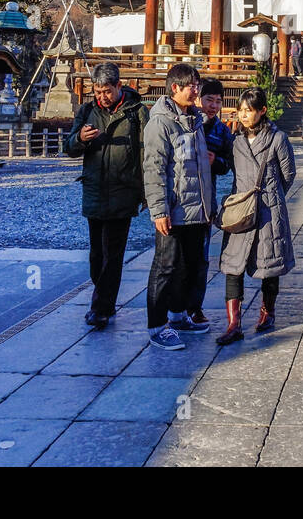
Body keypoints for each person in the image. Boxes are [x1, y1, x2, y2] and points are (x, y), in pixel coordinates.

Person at [65, 62, 148, 329]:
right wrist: (81, 138)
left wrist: (147, 192)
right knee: (96, 256)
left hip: (124, 191)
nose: (102, 96)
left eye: (107, 91)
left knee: (113, 254)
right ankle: (105, 299)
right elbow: (70, 148)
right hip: (94, 190)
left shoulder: (137, 112)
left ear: (119, 86)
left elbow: (147, 152)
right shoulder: (87, 111)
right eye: (97, 91)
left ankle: (100, 308)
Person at [142, 63, 215, 351]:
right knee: (165, 267)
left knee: (189, 265)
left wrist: (210, 206)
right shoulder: (160, 123)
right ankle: (157, 325)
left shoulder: (195, 119)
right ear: (175, 88)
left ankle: (178, 315)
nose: (195, 90)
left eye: (197, 84)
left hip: (196, 209)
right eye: (191, 85)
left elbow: (199, 169)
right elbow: (154, 168)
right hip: (173, 209)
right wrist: (158, 210)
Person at [217, 88, 297, 344]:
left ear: (262, 111)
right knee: (233, 266)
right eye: (240, 110)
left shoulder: (278, 139)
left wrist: (271, 197)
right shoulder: (236, 141)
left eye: (248, 110)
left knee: (269, 265)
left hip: (267, 212)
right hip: (240, 209)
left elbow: (289, 175)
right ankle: (234, 323)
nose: (243, 115)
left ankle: (267, 311)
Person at [185, 78, 235, 328]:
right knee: (176, 258)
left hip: (205, 199)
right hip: (181, 199)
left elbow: (229, 164)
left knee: (200, 257)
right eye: (209, 100)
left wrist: (216, 161)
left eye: (218, 101)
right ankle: (173, 307)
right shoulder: (186, 122)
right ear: (198, 99)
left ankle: (194, 307)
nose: (213, 106)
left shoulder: (223, 131)